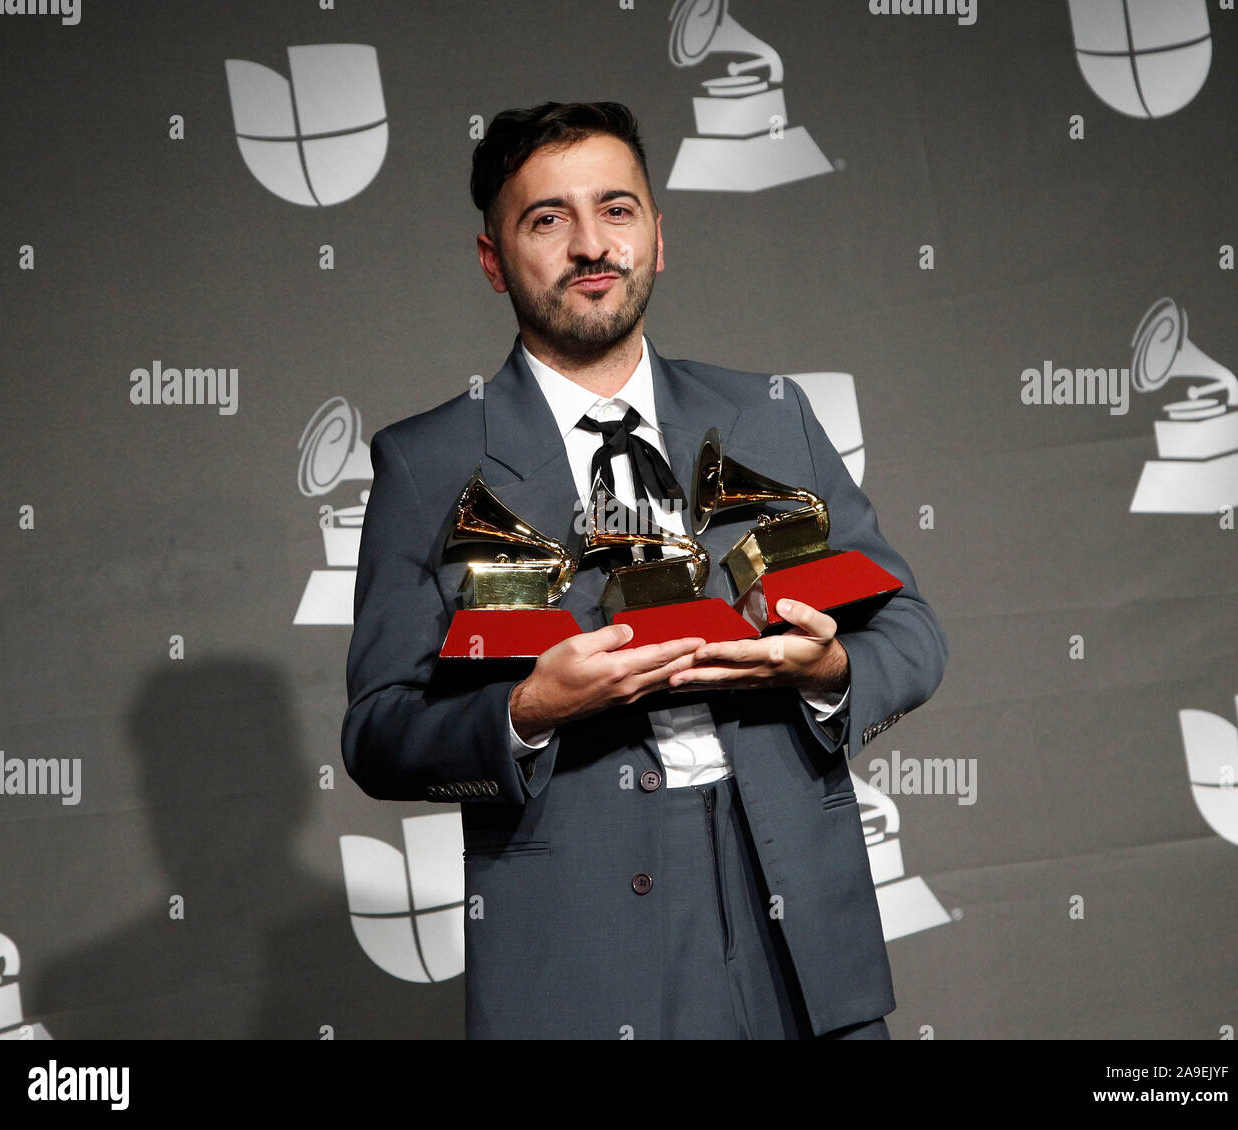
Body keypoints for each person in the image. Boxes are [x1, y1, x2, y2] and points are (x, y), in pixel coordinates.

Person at [341, 102, 947, 1040]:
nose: (591, 244)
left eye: (617, 210)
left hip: (796, 919)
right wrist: (527, 714)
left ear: (658, 238)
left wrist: (827, 674)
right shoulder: (426, 463)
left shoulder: (770, 418)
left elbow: (910, 632)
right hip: (578, 944)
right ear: (492, 258)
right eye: (548, 219)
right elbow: (378, 734)